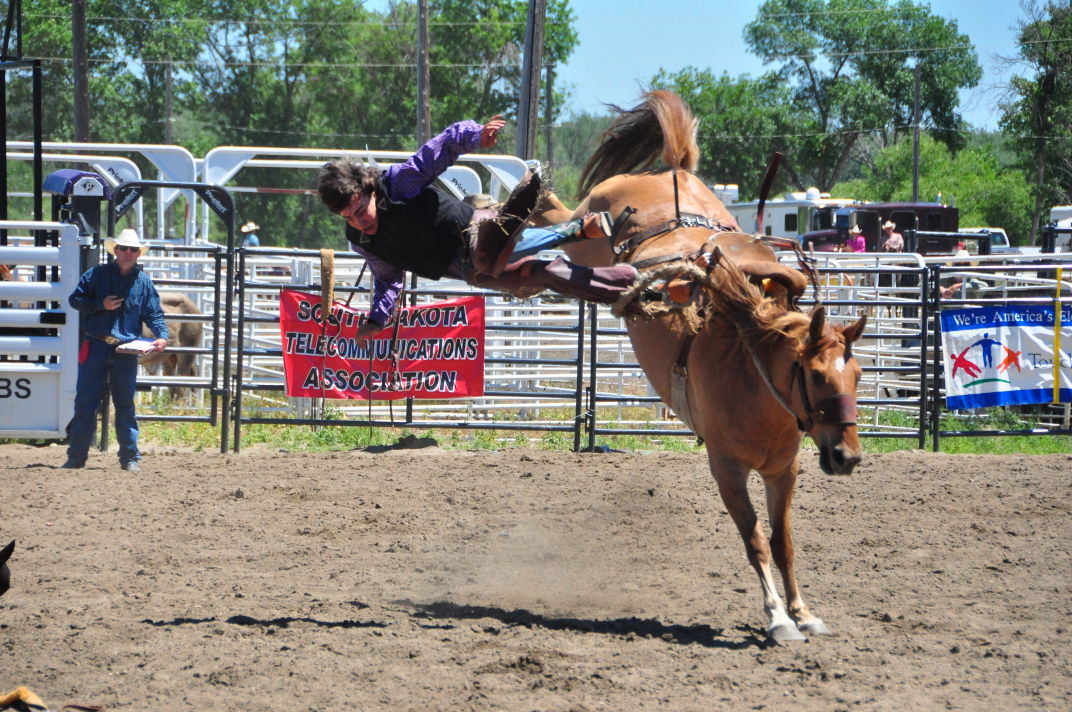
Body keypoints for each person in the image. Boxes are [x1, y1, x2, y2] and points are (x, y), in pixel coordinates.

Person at [317, 115, 636, 346]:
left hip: (473, 230)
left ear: (370, 191)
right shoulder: (362, 242)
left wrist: (476, 136)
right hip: (466, 270)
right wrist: (375, 319)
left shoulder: (397, 184)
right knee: (539, 275)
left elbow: (438, 150)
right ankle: (627, 286)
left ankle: (528, 205)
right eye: (348, 218)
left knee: (485, 256)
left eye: (360, 210)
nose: (359, 221)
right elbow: (388, 278)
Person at [63, 229, 168, 472]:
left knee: (124, 404)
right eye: (124, 248)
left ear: (138, 253)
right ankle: (77, 457)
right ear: (116, 251)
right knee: (86, 402)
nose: (128, 253)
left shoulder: (143, 282)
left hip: (125, 351)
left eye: (133, 249)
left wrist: (162, 335)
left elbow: (153, 313)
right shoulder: (96, 275)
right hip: (97, 344)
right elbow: (75, 300)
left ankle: (129, 458)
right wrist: (101, 305)